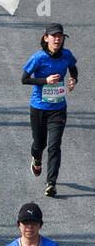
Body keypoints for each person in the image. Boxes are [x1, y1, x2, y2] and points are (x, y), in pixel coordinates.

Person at [22, 23, 78, 197]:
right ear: (46, 38)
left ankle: (51, 183)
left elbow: (73, 69)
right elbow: (24, 79)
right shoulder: (38, 58)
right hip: (39, 107)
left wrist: (73, 79)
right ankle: (36, 159)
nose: (58, 39)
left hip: (58, 108)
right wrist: (45, 80)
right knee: (39, 144)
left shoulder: (66, 55)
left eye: (60, 37)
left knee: (55, 146)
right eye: (54, 36)